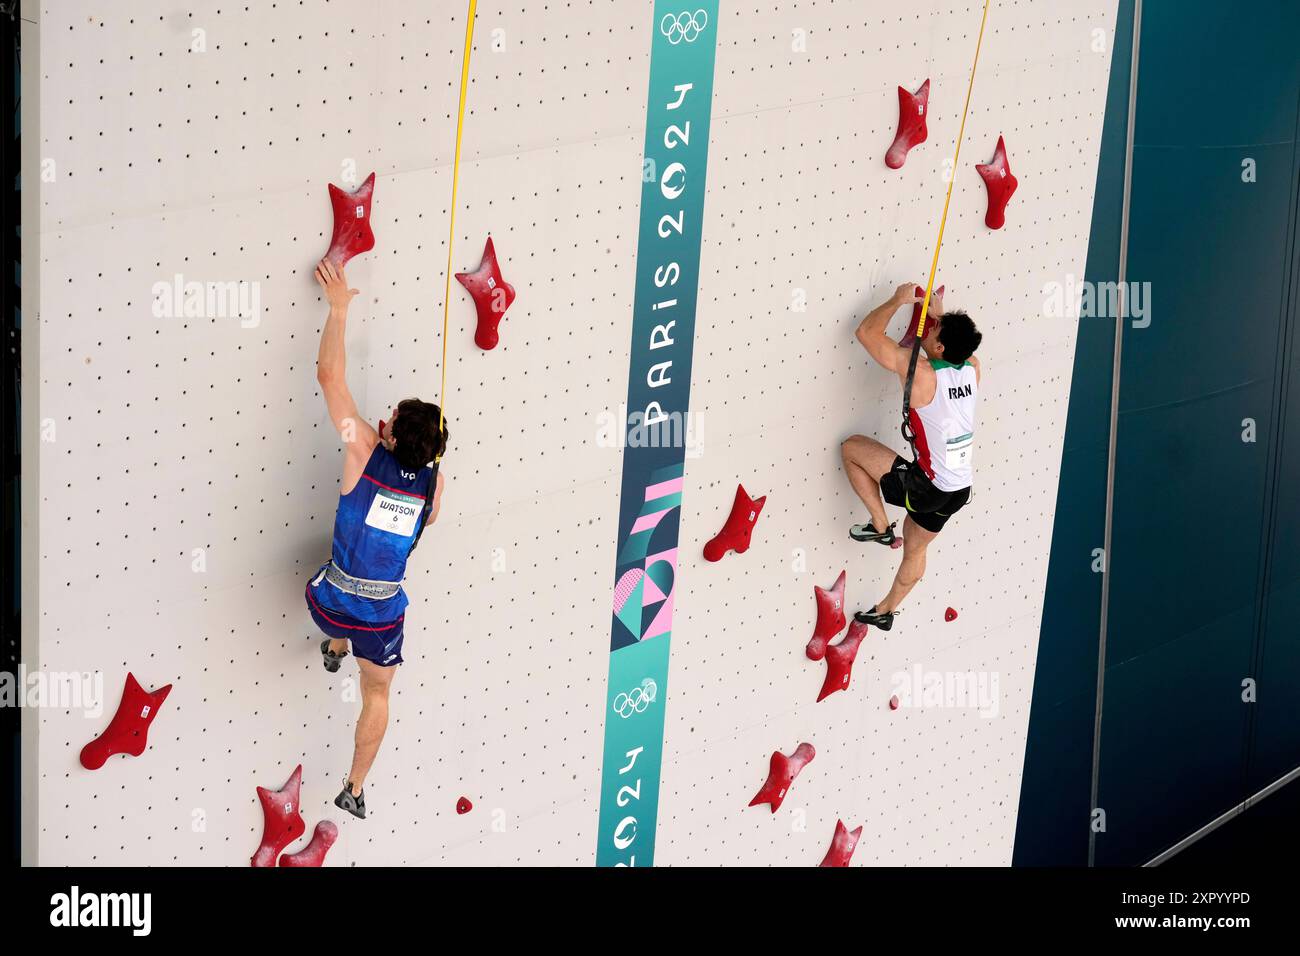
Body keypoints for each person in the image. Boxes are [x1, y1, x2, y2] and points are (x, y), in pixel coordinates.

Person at [306, 258, 448, 819]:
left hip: (327, 601)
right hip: (381, 617)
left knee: (339, 597)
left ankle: (334, 646)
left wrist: (339, 307)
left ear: (387, 430)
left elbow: (329, 379)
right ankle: (355, 788)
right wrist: (430, 458)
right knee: (378, 693)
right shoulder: (433, 489)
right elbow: (428, 520)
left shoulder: (364, 450)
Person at [841, 282, 981, 630]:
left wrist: (898, 300)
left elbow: (867, 333)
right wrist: (940, 314)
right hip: (958, 489)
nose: (929, 325)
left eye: (933, 328)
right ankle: (885, 609)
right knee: (916, 549)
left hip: (928, 487)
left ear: (940, 346)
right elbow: (955, 350)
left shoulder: (921, 374)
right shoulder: (973, 367)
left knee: (852, 449)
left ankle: (877, 524)